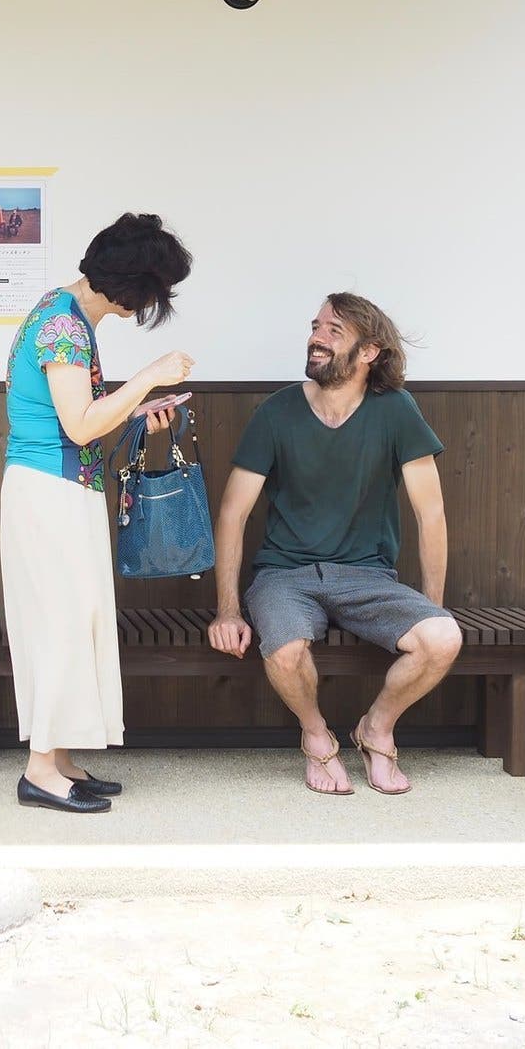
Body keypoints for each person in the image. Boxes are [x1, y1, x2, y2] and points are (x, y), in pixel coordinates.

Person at [206, 294, 462, 795]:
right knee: (283, 651)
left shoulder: (396, 411)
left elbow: (430, 515)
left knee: (443, 639)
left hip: (368, 577)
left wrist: (430, 609)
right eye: (316, 326)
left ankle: (376, 728)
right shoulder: (277, 412)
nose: (317, 337)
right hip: (285, 576)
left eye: (334, 331)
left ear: (369, 352)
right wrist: (228, 610)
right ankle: (317, 735)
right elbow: (233, 514)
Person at [1, 213, 194, 813]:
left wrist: (137, 408)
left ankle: (57, 760)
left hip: (61, 490)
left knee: (71, 618)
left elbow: (84, 420)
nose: (150, 306)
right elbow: (79, 424)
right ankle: (40, 772)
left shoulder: (65, 313)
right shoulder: (64, 326)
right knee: (59, 622)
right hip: (49, 493)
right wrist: (145, 378)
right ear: (132, 285)